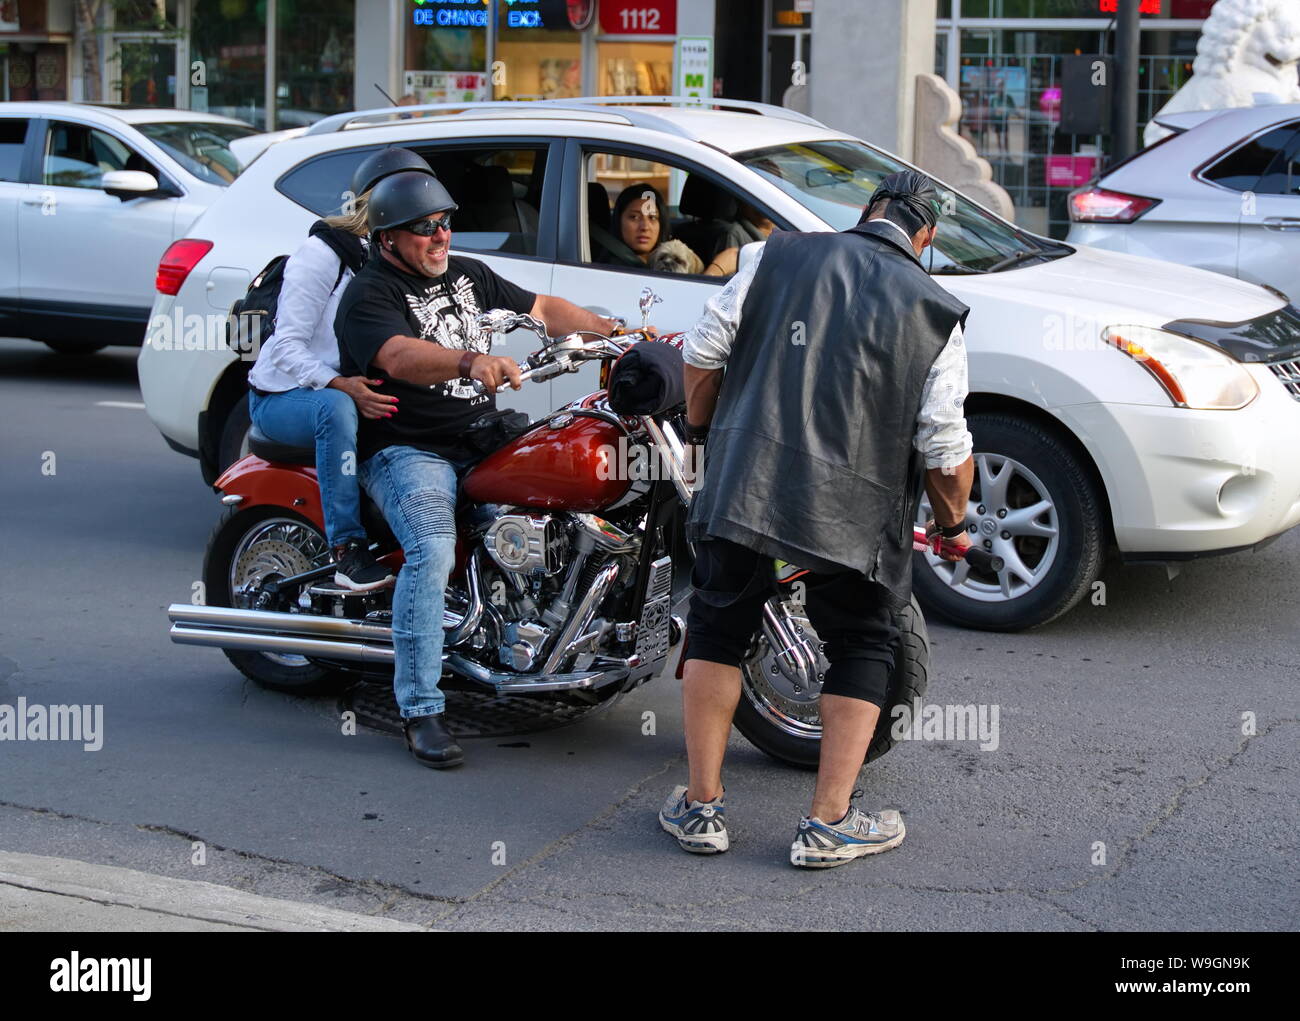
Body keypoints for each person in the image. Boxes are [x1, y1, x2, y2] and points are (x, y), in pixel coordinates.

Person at [660, 170, 977, 868]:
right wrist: (953, 526)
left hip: (746, 484)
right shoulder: (934, 309)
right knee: (863, 641)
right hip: (854, 515)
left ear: (865, 214)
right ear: (923, 239)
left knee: (718, 623)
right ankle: (828, 823)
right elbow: (946, 448)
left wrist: (703, 430)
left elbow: (701, 352)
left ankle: (701, 807)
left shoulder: (773, 254)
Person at [334, 168, 626, 770]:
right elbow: (397, 355)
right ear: (387, 238)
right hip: (407, 448)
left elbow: (542, 307)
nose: (440, 237)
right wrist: (470, 361)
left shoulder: (466, 273)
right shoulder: (370, 294)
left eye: (445, 224)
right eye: (424, 229)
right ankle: (419, 708)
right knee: (433, 551)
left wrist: (612, 332)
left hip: (480, 435)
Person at [247, 147, 437, 591]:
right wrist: (338, 383)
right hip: (287, 395)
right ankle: (347, 550)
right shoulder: (324, 254)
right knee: (336, 409)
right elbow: (285, 346)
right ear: (374, 200)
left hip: (356, 388)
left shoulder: (405, 251)